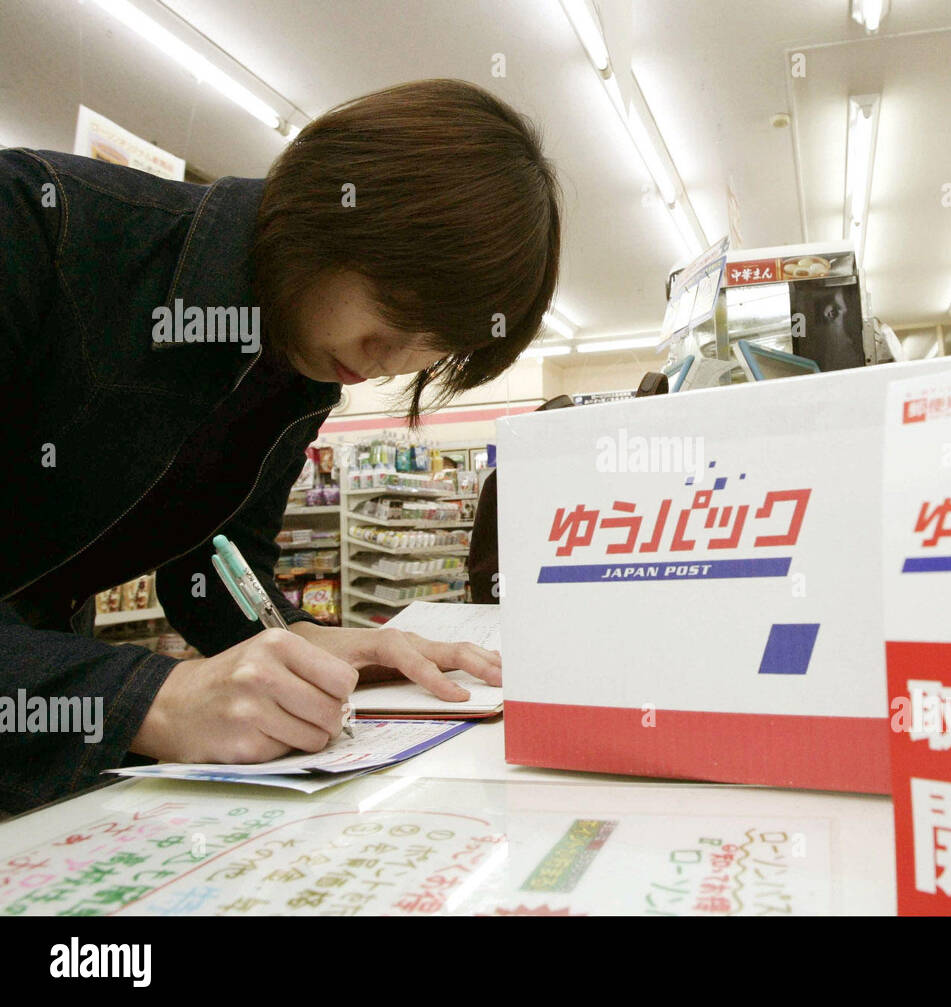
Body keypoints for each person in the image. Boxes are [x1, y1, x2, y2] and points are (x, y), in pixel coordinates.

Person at [0, 78, 561, 813]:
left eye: (437, 348)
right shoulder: (37, 225)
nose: (394, 359)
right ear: (339, 204)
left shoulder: (297, 372)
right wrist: (152, 699)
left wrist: (309, 639)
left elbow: (216, 559)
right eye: (402, 310)